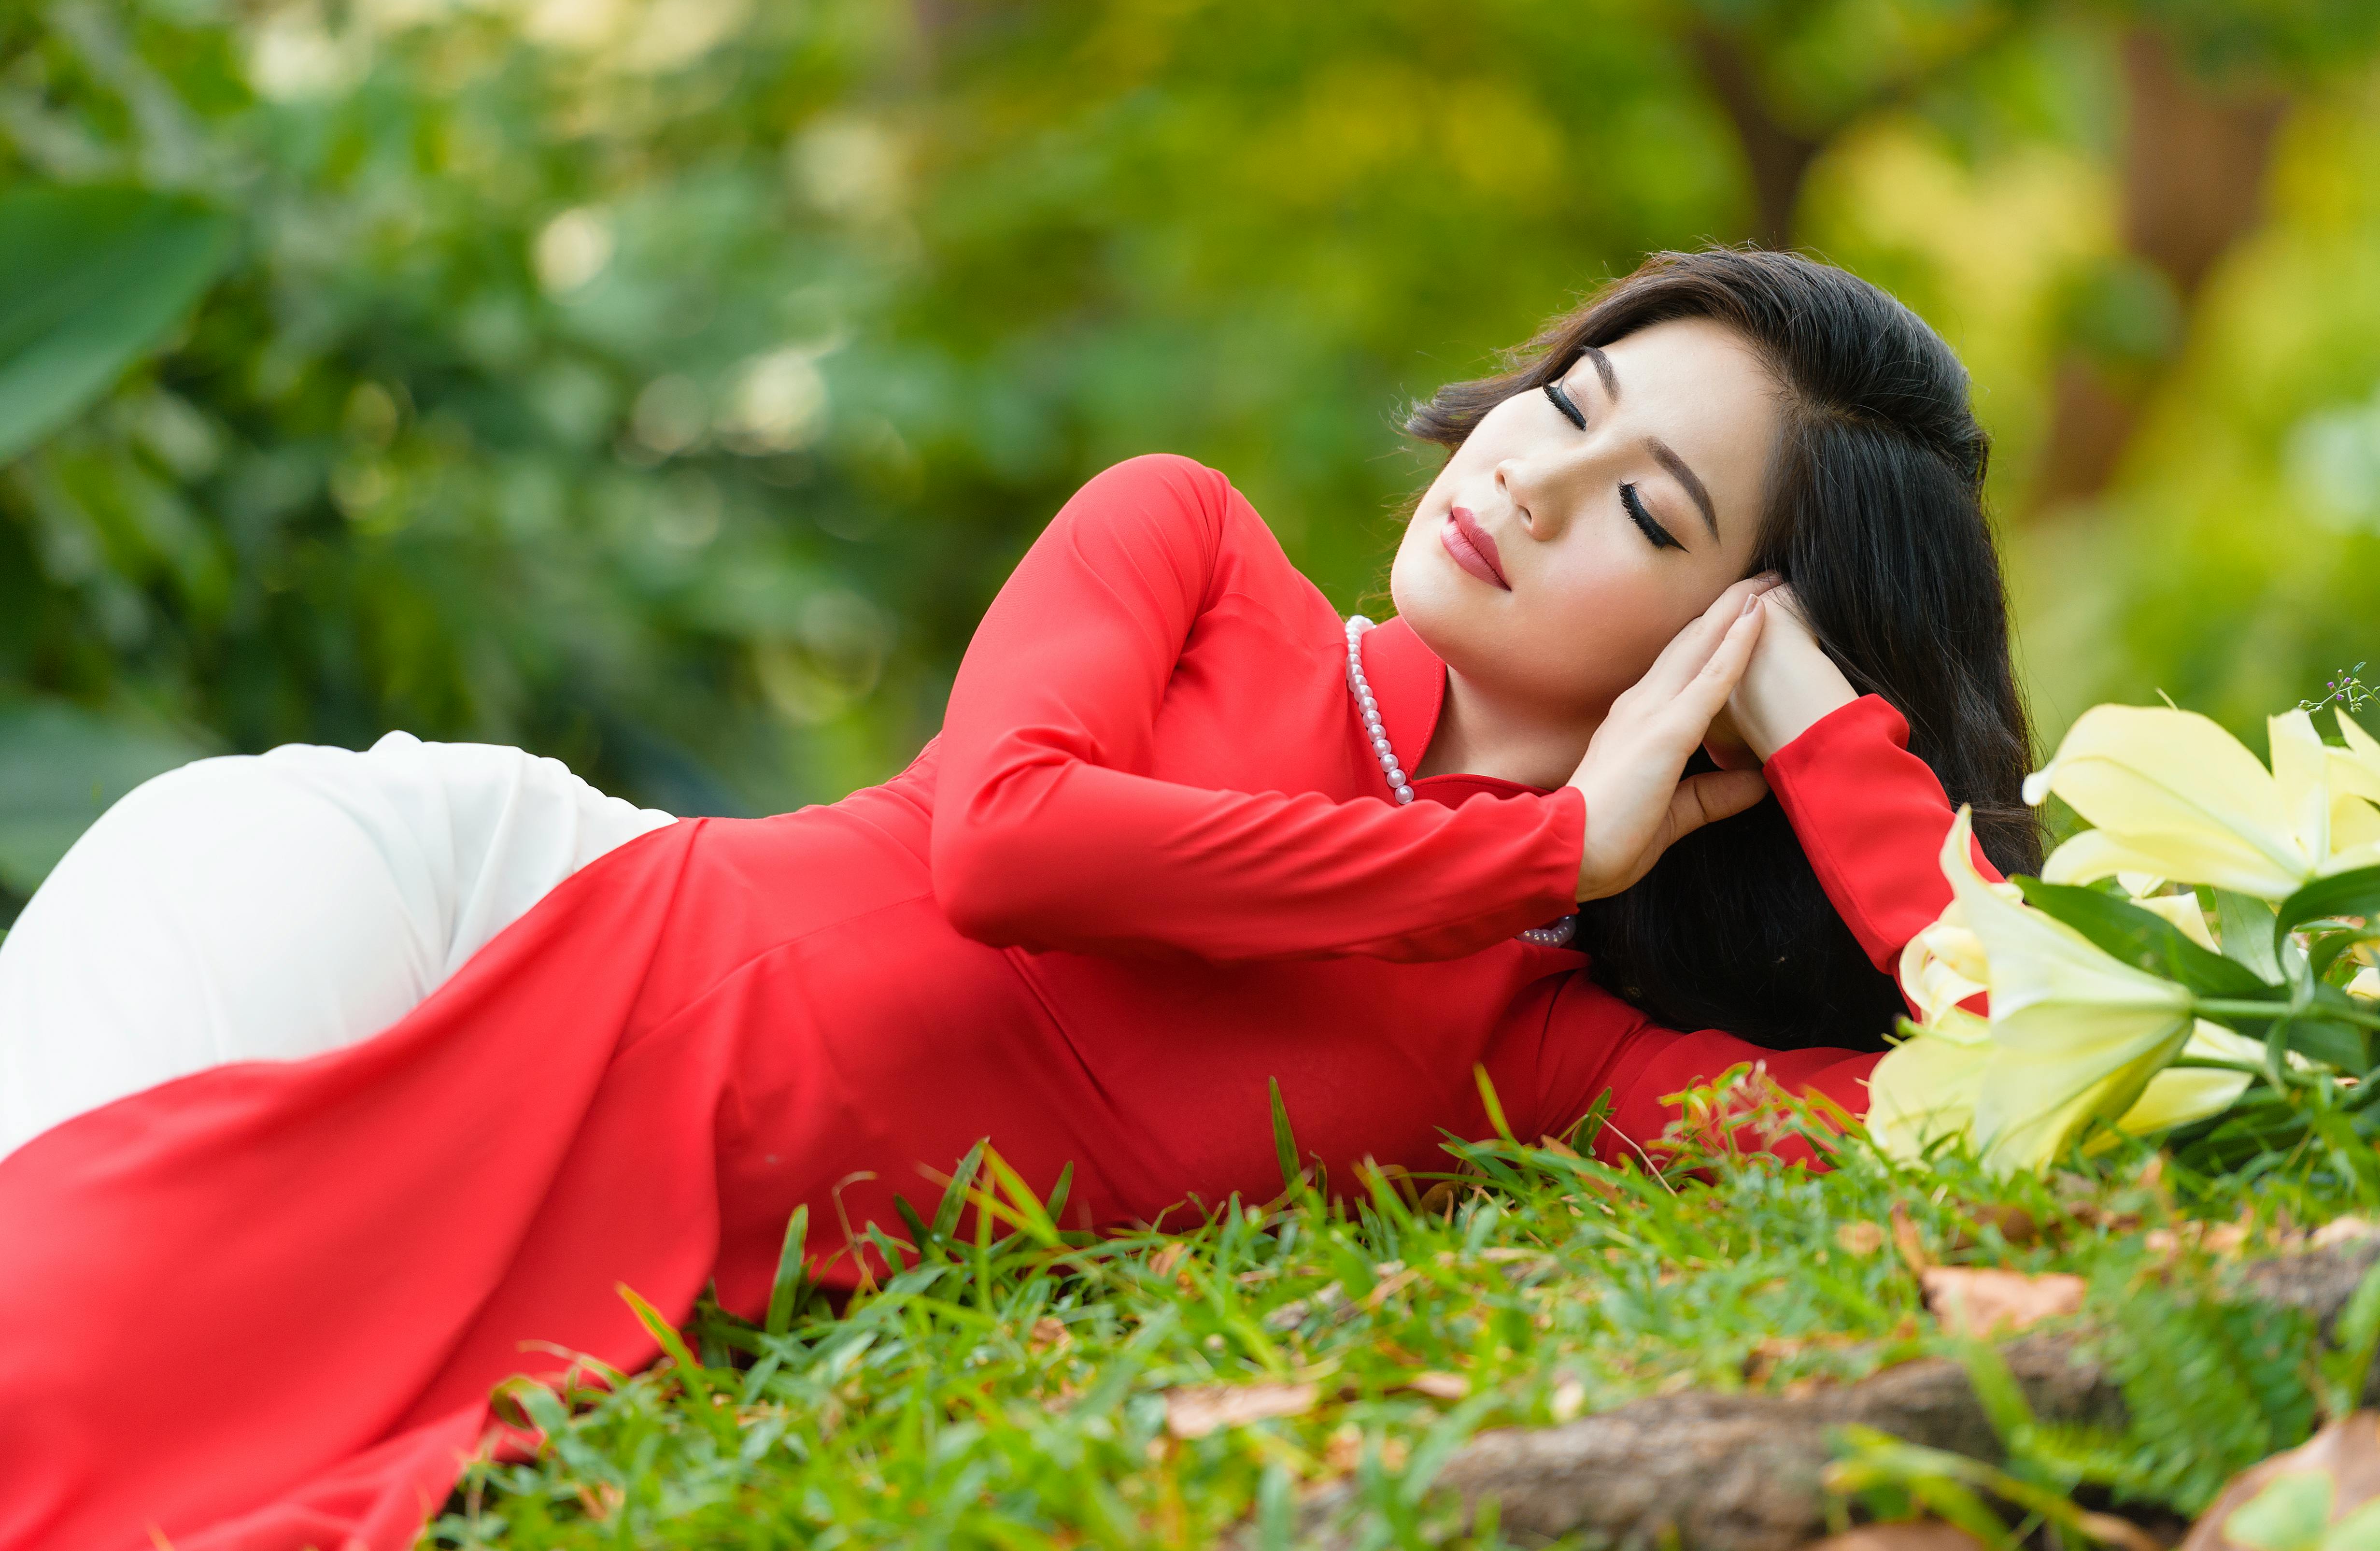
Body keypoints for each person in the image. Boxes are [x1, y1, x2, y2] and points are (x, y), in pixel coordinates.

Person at [0, 248, 2035, 1551]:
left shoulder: (1519, 1048)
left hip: (596, 1278)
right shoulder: (1191, 544)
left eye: (1647, 512)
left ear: (1730, 648)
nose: (1524, 476)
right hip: (456, 936)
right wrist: (1536, 845)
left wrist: (1817, 728)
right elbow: (1007, 845)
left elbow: (1986, 1085)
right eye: (1567, 401)